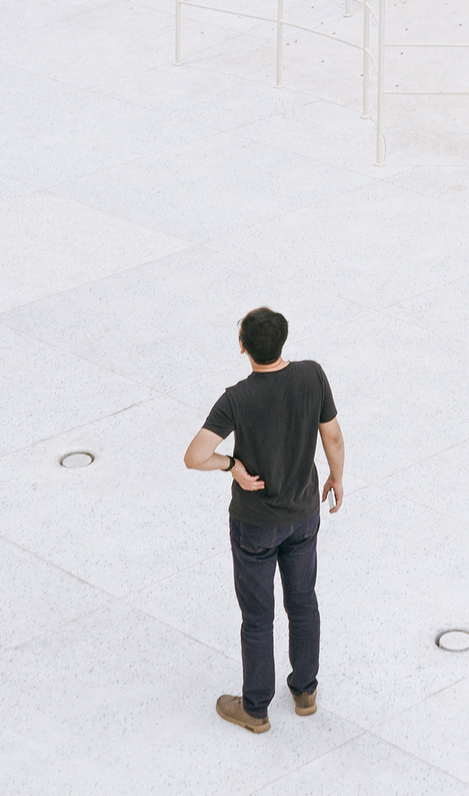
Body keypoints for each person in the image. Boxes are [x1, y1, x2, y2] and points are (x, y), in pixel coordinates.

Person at [183, 306, 345, 734]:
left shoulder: (237, 397)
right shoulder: (312, 375)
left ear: (243, 347)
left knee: (258, 616)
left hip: (255, 524)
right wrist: (337, 477)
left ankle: (255, 709)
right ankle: (305, 691)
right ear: (283, 341)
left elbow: (194, 456)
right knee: (303, 601)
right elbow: (332, 434)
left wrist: (231, 464)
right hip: (304, 514)